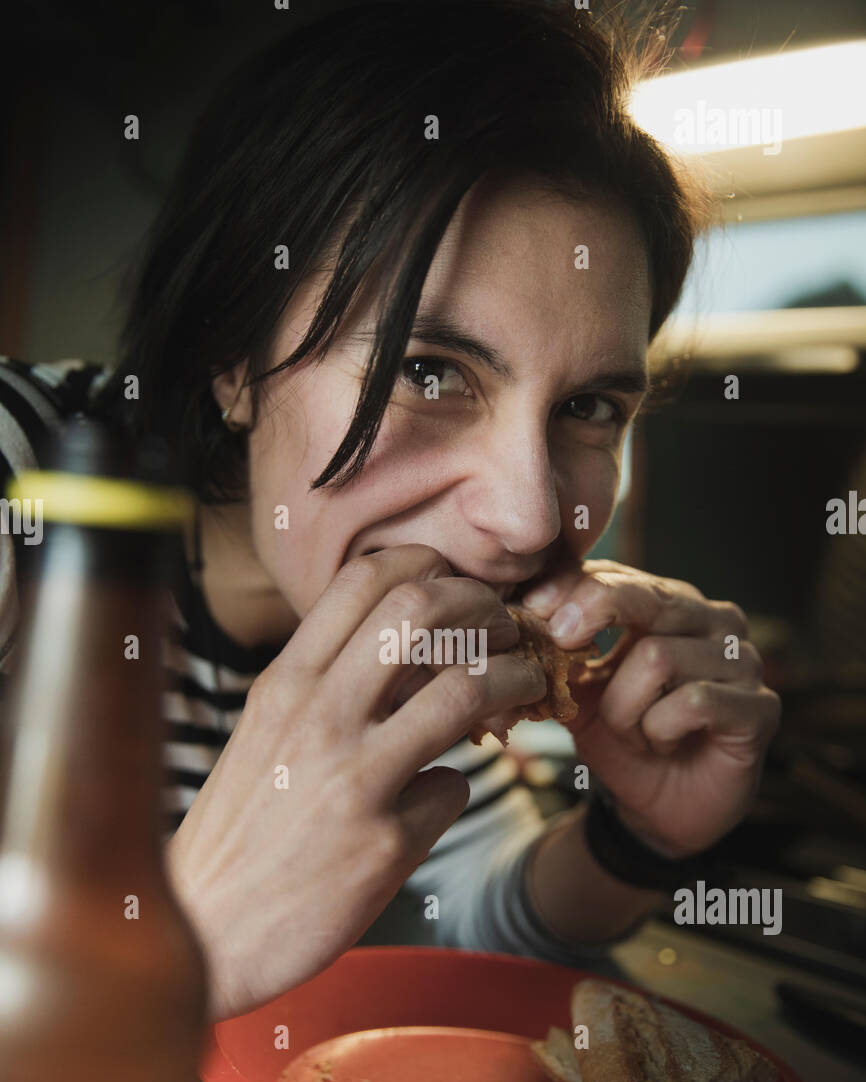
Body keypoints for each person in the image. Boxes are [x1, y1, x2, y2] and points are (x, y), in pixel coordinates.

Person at [0, 0, 780, 1022]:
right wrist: (185, 945)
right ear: (231, 356)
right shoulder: (26, 482)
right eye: (428, 370)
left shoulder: (422, 634)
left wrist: (636, 838)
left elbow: (452, 914)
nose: (526, 519)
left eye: (588, 406)